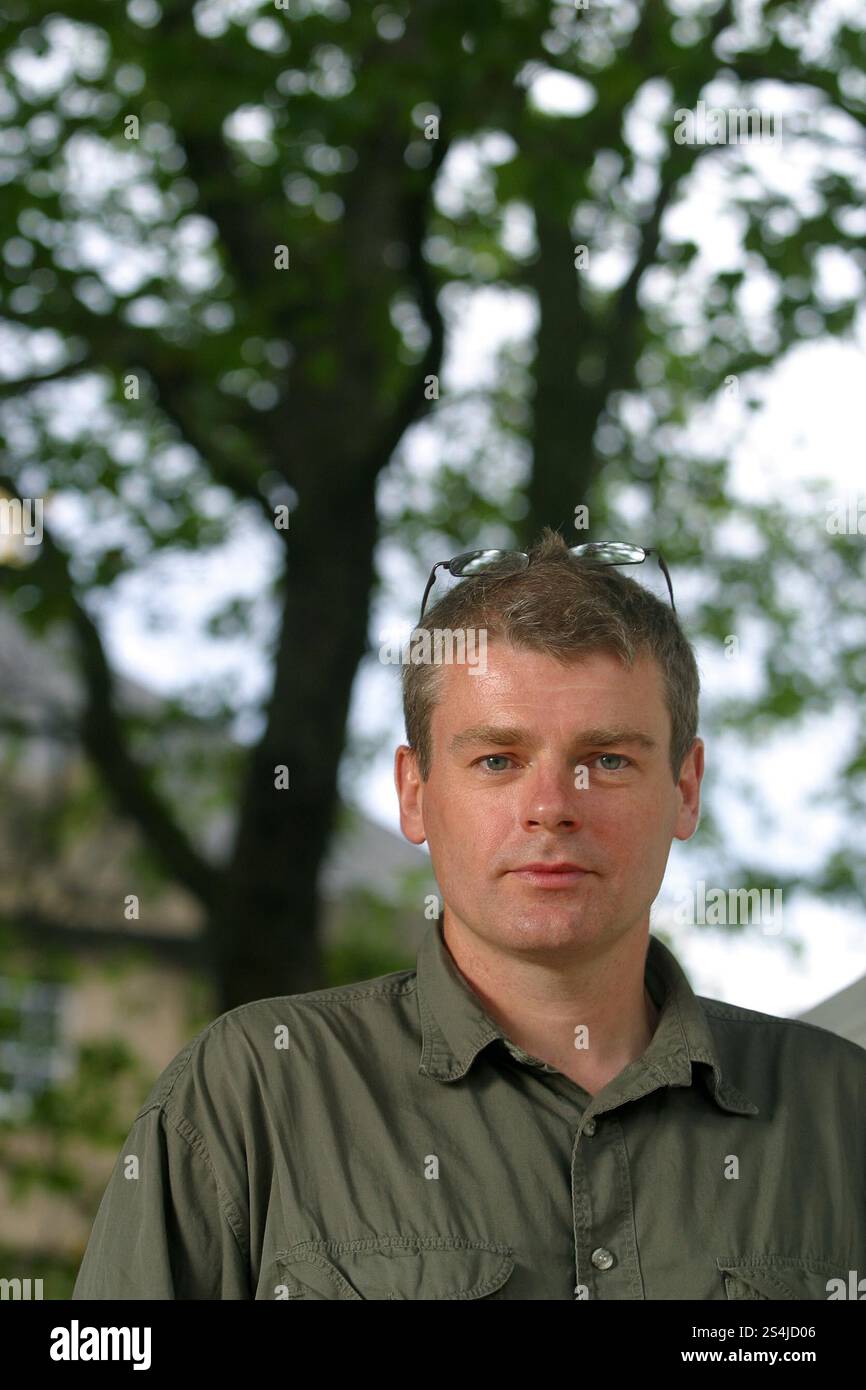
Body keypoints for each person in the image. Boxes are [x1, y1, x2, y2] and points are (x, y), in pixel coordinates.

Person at [72, 527, 866, 1300]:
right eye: (497, 760)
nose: (551, 807)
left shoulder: (842, 1113)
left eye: (607, 760)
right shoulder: (253, 1093)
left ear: (685, 790)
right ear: (414, 792)